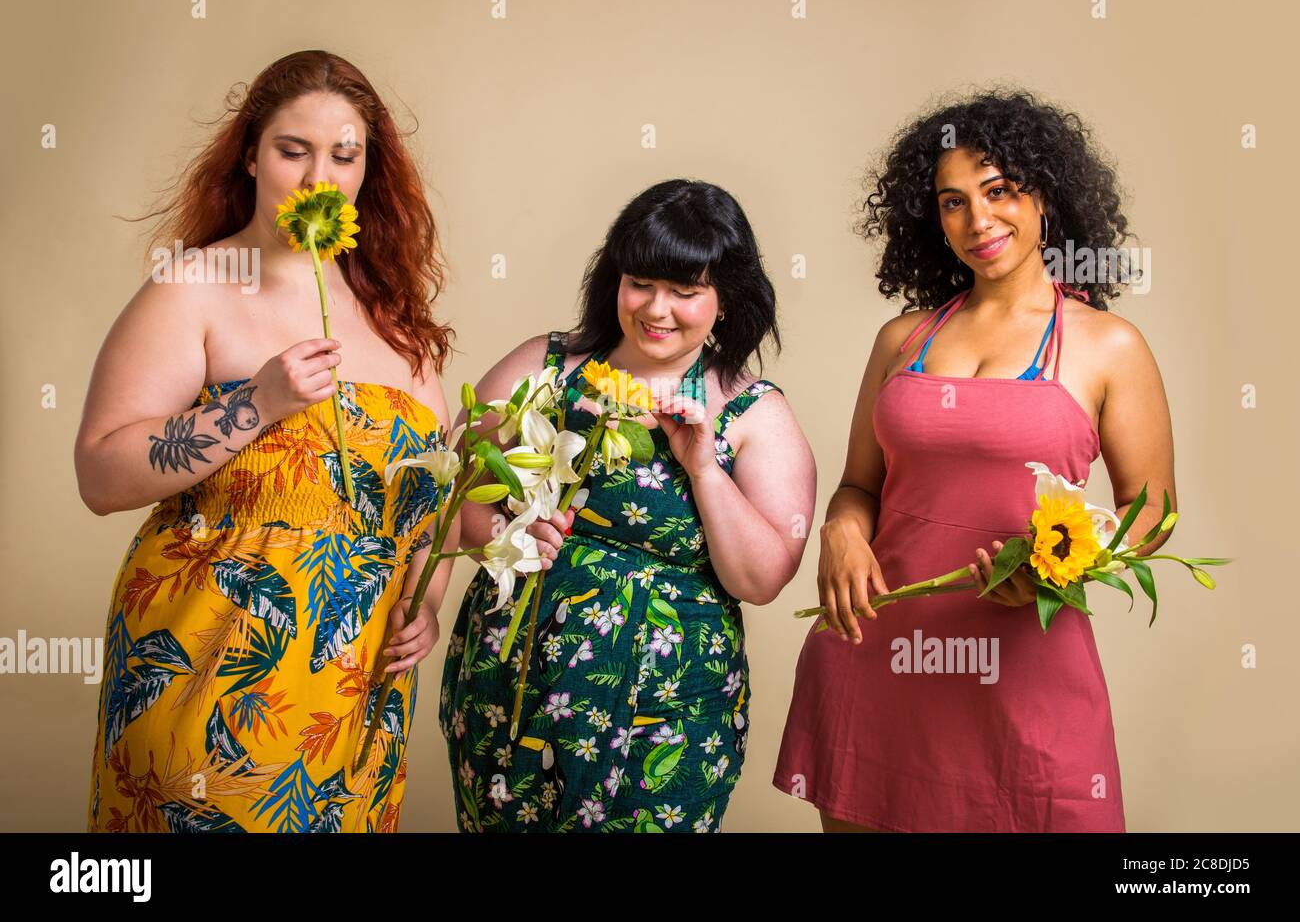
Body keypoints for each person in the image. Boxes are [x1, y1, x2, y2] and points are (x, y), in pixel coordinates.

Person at [773, 90, 1176, 832]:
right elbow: (860, 485)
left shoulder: (1108, 345)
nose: (978, 220)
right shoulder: (904, 339)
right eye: (952, 202)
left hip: (1024, 672)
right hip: (877, 661)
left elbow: (1151, 513)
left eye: (999, 191)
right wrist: (840, 531)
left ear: (1046, 194)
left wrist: (1066, 567)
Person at [77, 50, 456, 832]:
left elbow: (428, 498)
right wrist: (257, 403)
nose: (321, 176)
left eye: (344, 155)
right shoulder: (194, 287)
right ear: (250, 154)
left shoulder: (399, 322)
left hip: (356, 696)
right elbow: (100, 472)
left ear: (367, 171)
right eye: (294, 151)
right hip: (212, 671)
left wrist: (428, 600)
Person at [441, 179, 816, 832]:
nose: (657, 308)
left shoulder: (754, 412)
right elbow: (458, 487)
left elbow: (760, 578)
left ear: (724, 300)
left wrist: (703, 468)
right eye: (640, 282)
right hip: (511, 685)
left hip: (669, 711)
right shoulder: (549, 367)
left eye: (685, 290)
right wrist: (507, 536)